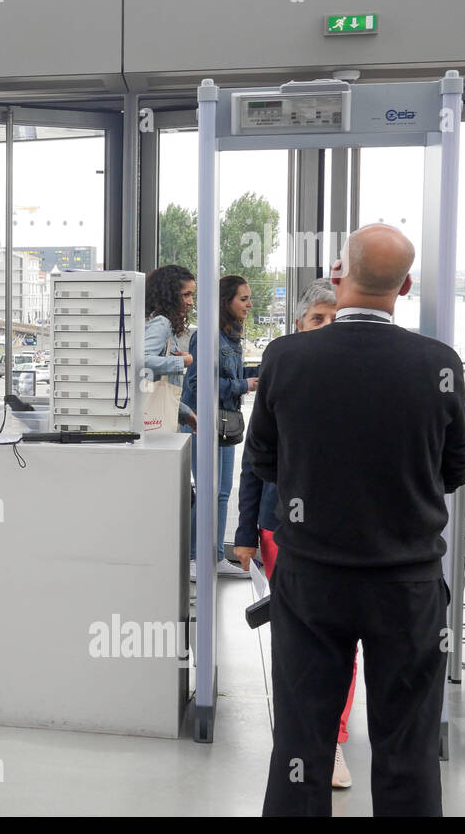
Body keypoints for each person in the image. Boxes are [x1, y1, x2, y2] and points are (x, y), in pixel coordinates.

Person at [247, 224, 465, 816]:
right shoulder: (439, 363)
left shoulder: (286, 356)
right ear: (405, 285)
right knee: (408, 744)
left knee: (302, 740)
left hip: (310, 580)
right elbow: (457, 466)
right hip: (407, 583)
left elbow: (264, 459)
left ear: (337, 274)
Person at [233, 278, 359, 790]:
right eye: (316, 320)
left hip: (345, 529)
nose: (325, 329)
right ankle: (299, 732)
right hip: (280, 526)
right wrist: (243, 531)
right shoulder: (282, 373)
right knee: (293, 639)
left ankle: (331, 740)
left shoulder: (362, 381)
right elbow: (254, 461)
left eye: (335, 319)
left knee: (341, 639)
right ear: (300, 324)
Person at [182, 275, 256, 581]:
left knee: (223, 492)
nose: (250, 305)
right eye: (243, 299)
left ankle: (214, 556)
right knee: (209, 491)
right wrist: (243, 384)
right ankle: (195, 557)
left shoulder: (232, 337)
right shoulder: (207, 336)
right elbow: (197, 383)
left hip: (224, 423)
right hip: (202, 422)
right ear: (226, 302)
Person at [143, 264, 196, 430]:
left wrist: (186, 414)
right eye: (186, 295)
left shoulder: (159, 322)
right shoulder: (162, 323)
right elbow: (141, 360)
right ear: (170, 296)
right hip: (154, 425)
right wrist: (182, 362)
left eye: (192, 295)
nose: (191, 302)